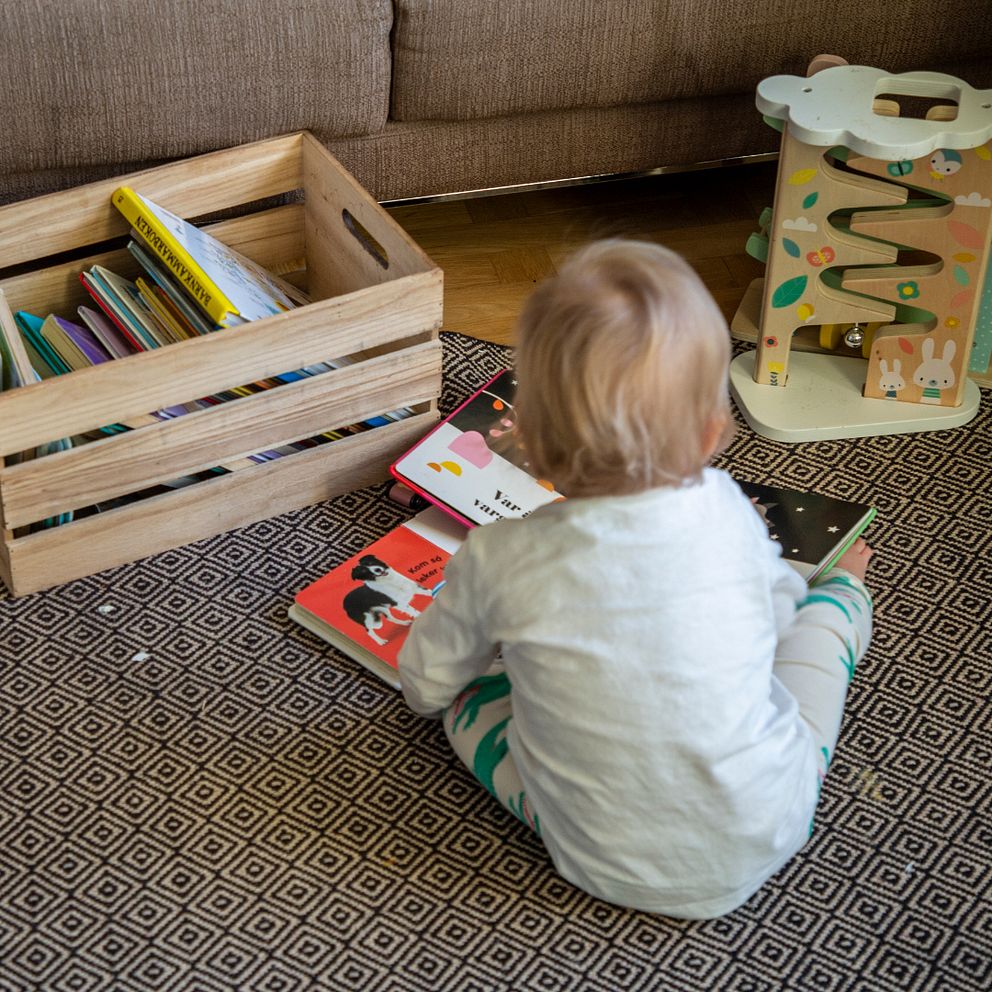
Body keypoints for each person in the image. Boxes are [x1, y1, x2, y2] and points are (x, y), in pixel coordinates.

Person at [397, 239, 874, 919]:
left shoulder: (499, 554)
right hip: (770, 823)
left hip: (595, 855)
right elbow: (771, 627)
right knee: (808, 660)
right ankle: (847, 600)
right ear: (713, 434)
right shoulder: (733, 515)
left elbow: (425, 683)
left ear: (527, 439)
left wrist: (437, 688)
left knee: (464, 707)